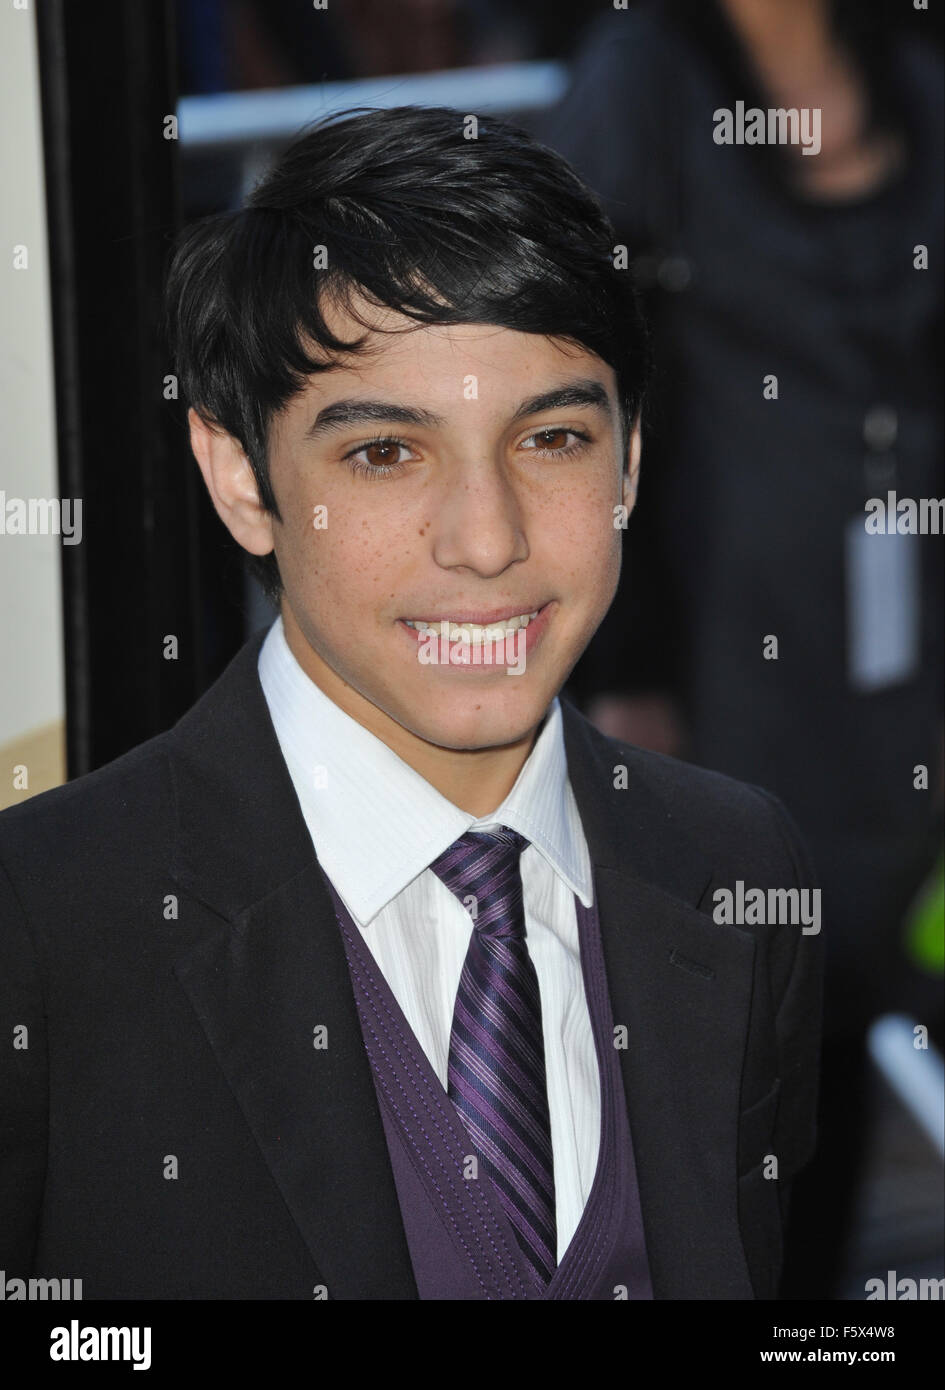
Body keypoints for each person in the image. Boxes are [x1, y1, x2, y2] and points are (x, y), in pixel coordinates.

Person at [0, 105, 823, 1300]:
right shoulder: (45, 928)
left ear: (632, 459)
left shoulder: (734, 869)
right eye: (387, 453)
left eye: (550, 439)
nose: (487, 541)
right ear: (240, 477)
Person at [541, 0, 943, 1296]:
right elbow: (569, 382)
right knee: (753, 1011)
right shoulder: (640, 85)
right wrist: (622, 665)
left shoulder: (912, 70)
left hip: (901, 648)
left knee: (876, 948)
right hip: (723, 645)